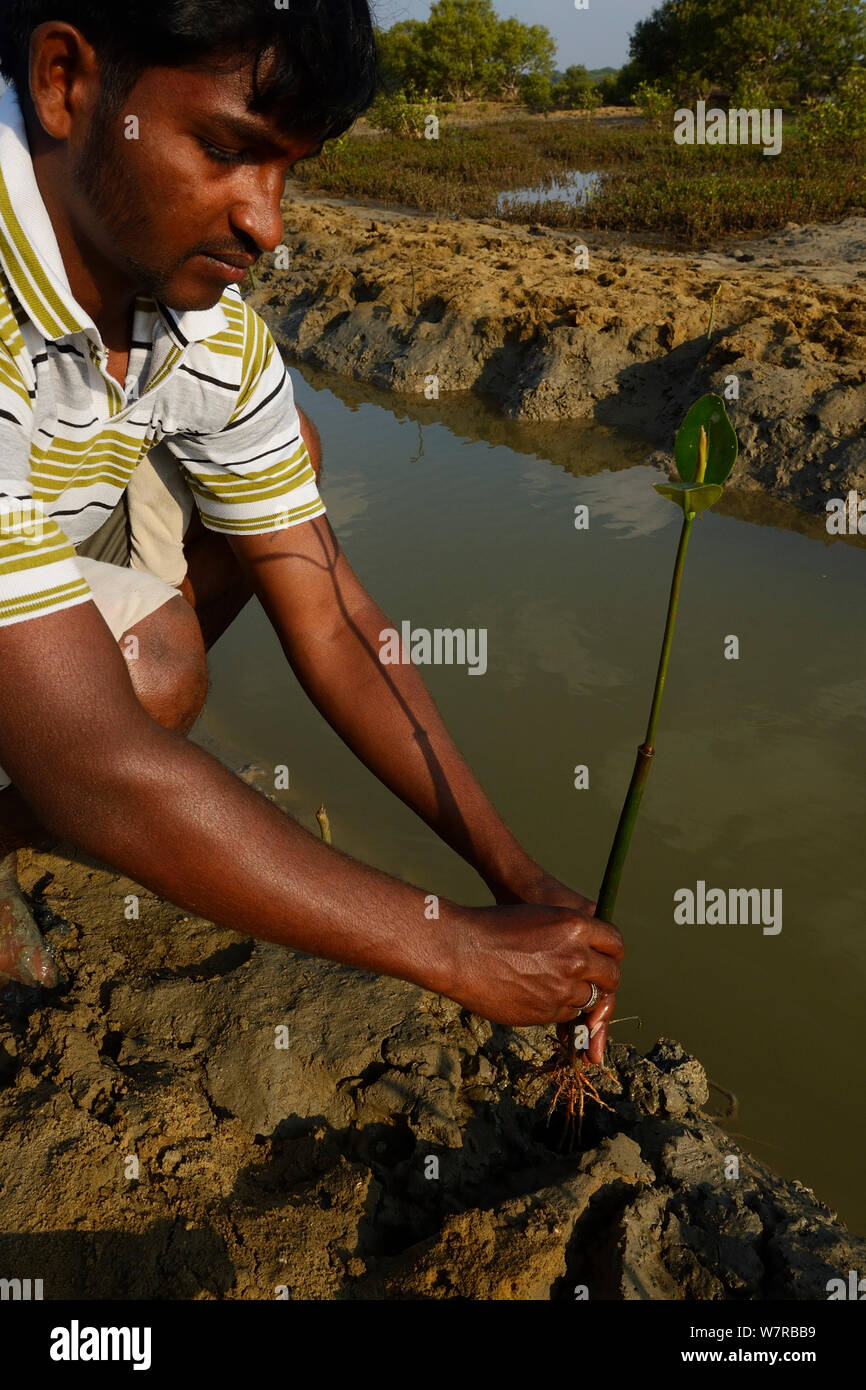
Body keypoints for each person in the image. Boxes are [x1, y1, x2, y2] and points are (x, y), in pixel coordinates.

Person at [0, 0, 623, 1059]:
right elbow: (95, 760)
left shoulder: (209, 337)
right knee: (90, 736)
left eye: (289, 170)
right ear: (65, 81)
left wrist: (513, 881)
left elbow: (330, 617)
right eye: (229, 151)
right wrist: (457, 952)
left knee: (169, 643)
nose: (267, 224)